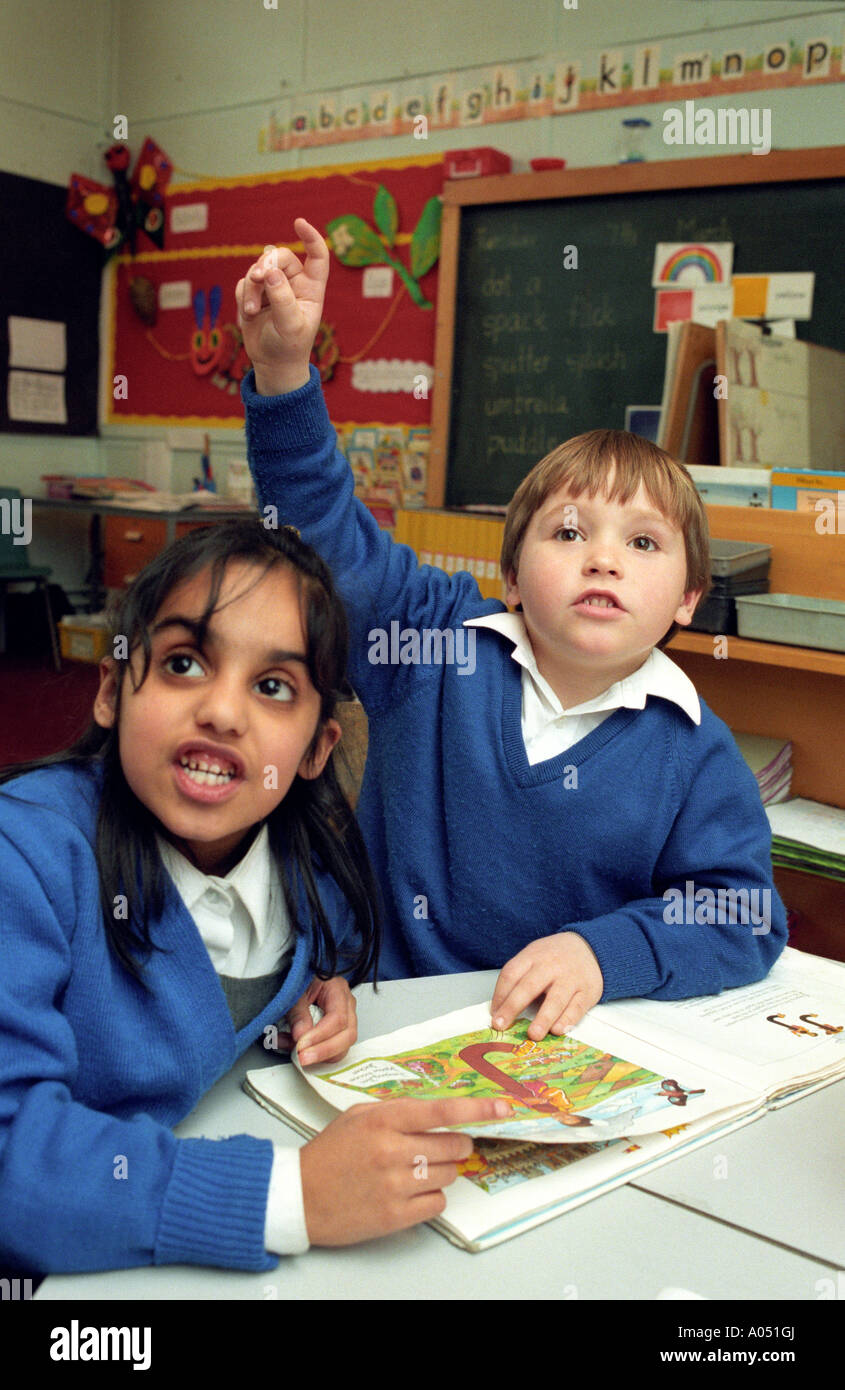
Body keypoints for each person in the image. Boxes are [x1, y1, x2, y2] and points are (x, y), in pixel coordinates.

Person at [236, 220, 787, 1044]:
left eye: (641, 543)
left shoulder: (693, 750)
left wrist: (603, 953)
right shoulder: (434, 641)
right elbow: (323, 538)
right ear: (509, 576)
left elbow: (741, 915)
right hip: (374, 1025)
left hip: (555, 1051)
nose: (602, 560)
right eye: (568, 534)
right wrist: (283, 373)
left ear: (688, 598)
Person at [0, 519, 506, 1274]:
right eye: (182, 664)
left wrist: (318, 990)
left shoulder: (308, 869)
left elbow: (293, 959)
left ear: (313, 751)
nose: (224, 712)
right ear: (110, 690)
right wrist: (291, 1195)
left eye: (272, 687)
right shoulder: (26, 856)